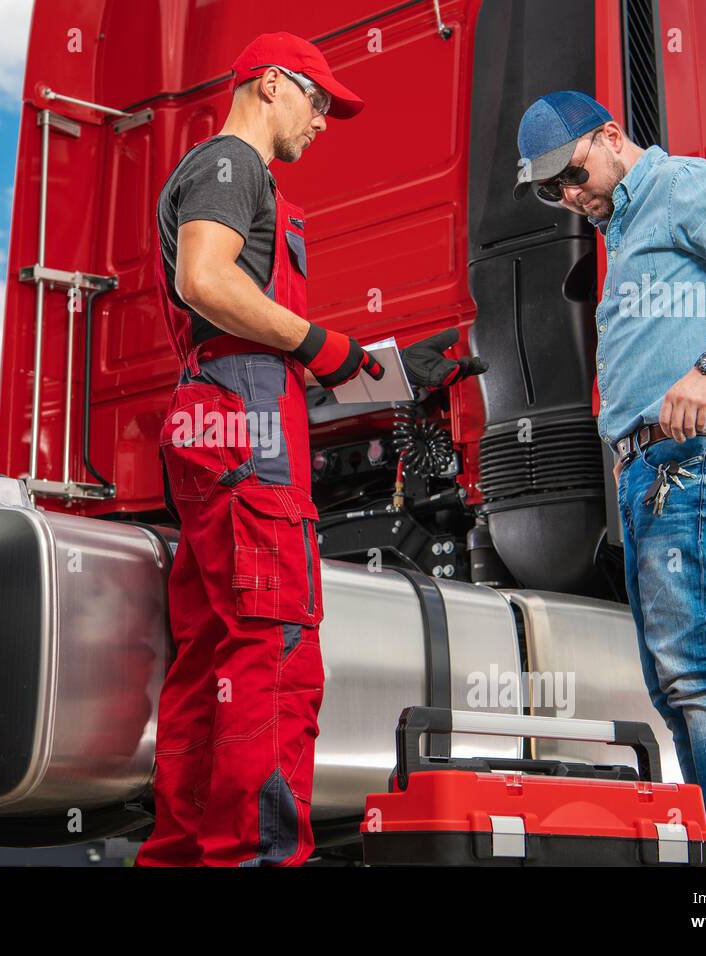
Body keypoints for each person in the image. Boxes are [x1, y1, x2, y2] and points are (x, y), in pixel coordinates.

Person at [138, 31, 481, 866]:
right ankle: (255, 857)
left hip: (224, 415)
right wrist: (324, 344)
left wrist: (368, 366)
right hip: (248, 423)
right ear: (268, 84)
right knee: (275, 650)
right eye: (318, 99)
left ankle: (183, 855)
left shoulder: (225, 174)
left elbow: (244, 330)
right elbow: (208, 281)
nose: (324, 120)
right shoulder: (232, 165)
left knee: (210, 659)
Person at [513, 90, 706, 866]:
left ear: (611, 136)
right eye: (552, 190)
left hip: (699, 458)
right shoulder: (624, 228)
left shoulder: (682, 186)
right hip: (656, 471)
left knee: (702, 674)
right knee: (677, 684)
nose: (570, 197)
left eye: (573, 174)